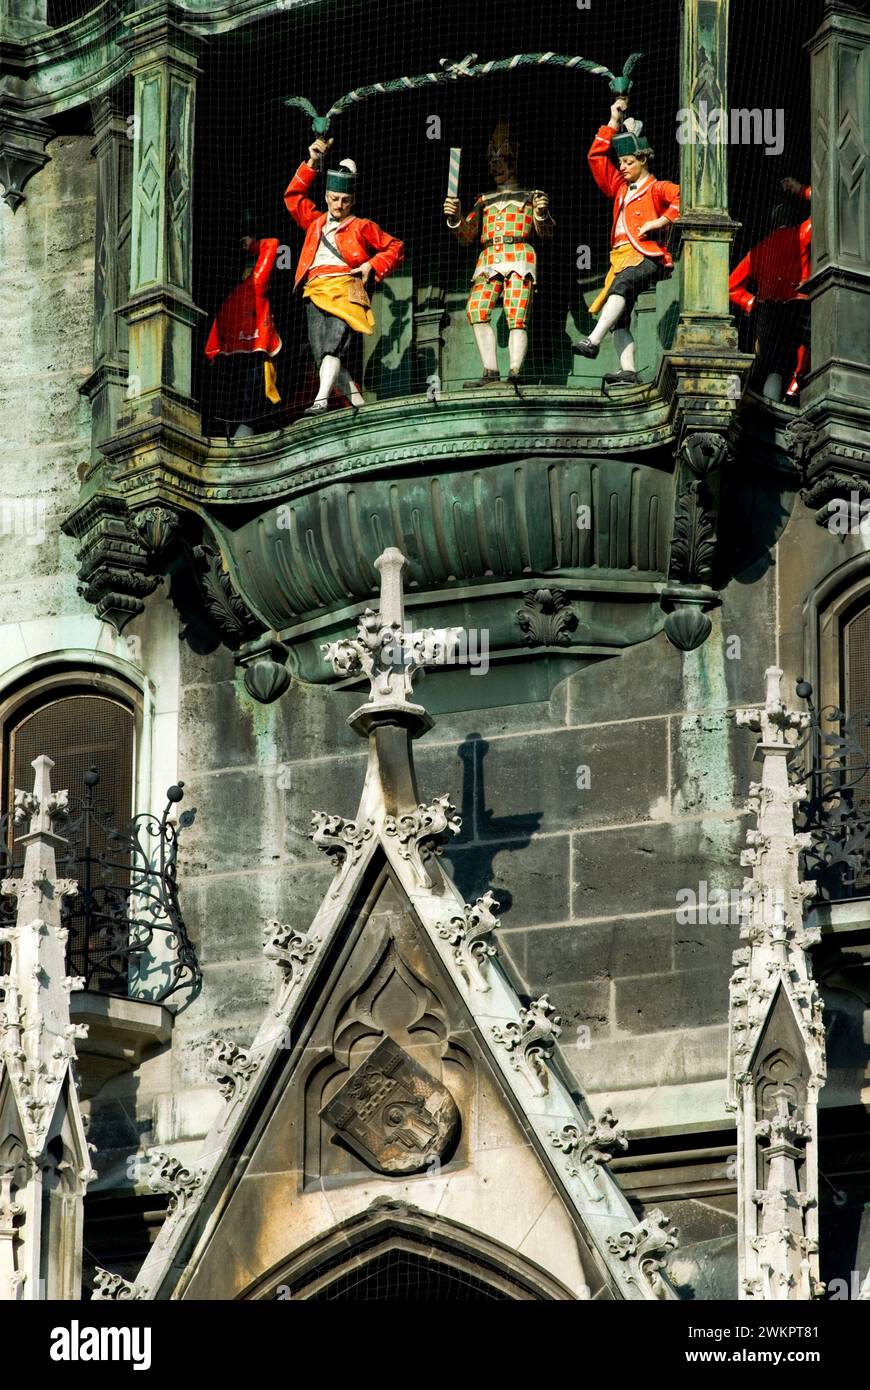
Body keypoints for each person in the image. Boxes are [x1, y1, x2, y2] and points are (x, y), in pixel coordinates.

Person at [284, 139, 404, 415]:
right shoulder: (315, 222)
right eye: (335, 199)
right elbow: (293, 198)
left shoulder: (362, 226)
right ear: (326, 197)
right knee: (322, 354)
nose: (340, 205)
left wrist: (371, 265)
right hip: (314, 289)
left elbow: (396, 247)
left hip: (346, 287)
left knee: (332, 347)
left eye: (346, 200)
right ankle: (359, 405)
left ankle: (321, 401)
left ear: (353, 200)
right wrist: (312, 161)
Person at [574, 99, 680, 387]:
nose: (622, 167)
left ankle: (593, 341)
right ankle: (628, 371)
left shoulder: (658, 187)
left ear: (643, 160)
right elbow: (596, 158)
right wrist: (613, 122)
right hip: (620, 257)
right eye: (620, 162)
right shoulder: (620, 187)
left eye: (628, 162)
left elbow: (683, 200)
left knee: (620, 288)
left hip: (647, 255)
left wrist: (658, 223)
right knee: (618, 315)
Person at [444, 122, 553, 388]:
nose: (494, 166)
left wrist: (540, 213)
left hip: (518, 255)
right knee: (476, 308)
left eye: (500, 160)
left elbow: (546, 232)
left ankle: (515, 371)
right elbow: (467, 235)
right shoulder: (483, 200)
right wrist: (456, 218)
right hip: (489, 256)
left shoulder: (530, 196)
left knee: (516, 313)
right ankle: (490, 371)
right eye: (491, 160)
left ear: (513, 161)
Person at [729, 178, 811, 403]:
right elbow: (827, 208)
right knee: (809, 349)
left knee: (773, 364)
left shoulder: (758, 250)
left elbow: (730, 286)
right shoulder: (802, 233)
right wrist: (802, 190)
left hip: (768, 309)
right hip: (799, 304)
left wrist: (752, 302)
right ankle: (794, 393)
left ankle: (770, 406)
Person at [204, 235, 282, 439]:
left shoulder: (231, 296)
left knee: (242, 397)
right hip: (255, 350)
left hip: (231, 356)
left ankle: (242, 431)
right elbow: (272, 244)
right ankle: (251, 430)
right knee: (256, 395)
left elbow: (217, 328)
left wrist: (213, 353)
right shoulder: (256, 283)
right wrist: (253, 245)